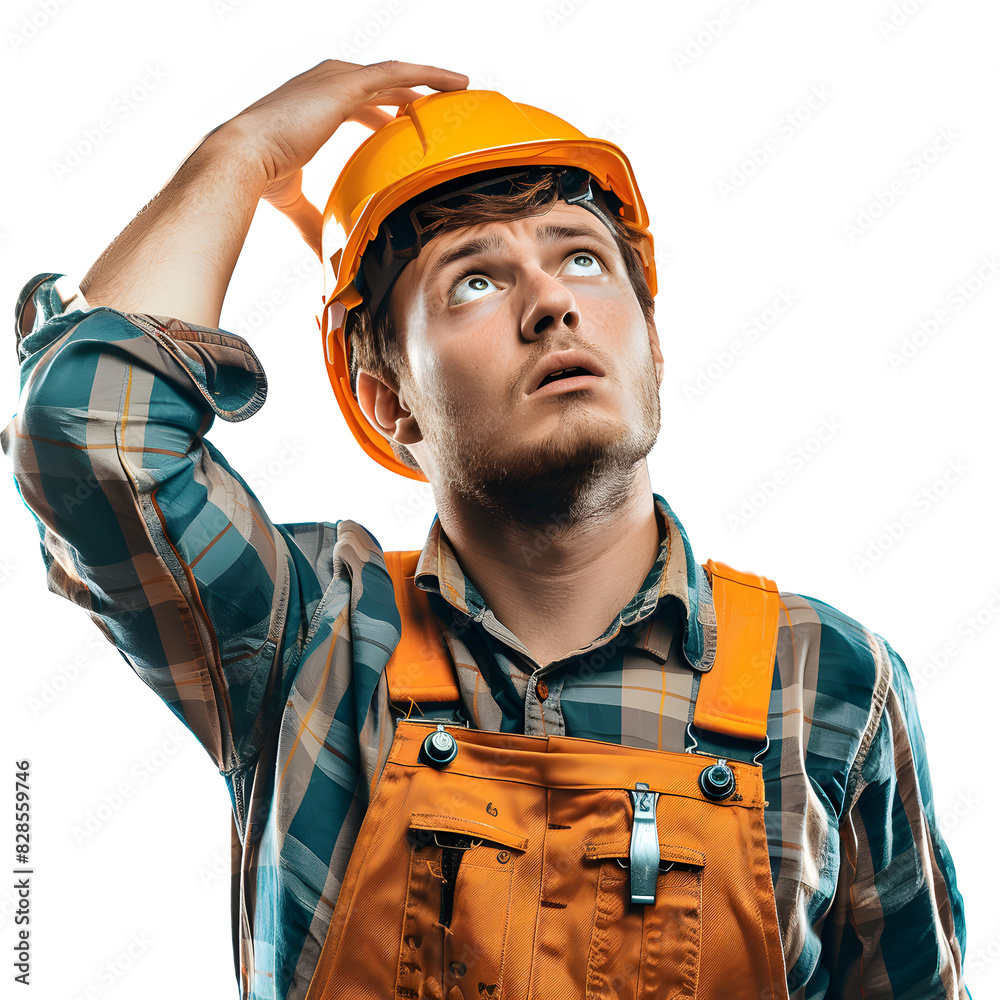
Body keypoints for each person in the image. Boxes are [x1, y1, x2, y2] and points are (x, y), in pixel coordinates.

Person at [3, 59, 970, 999]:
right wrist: (238, 152)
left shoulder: (831, 685)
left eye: (581, 258)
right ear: (390, 402)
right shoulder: (309, 642)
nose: (551, 304)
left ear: (654, 344)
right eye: (474, 281)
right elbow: (87, 431)